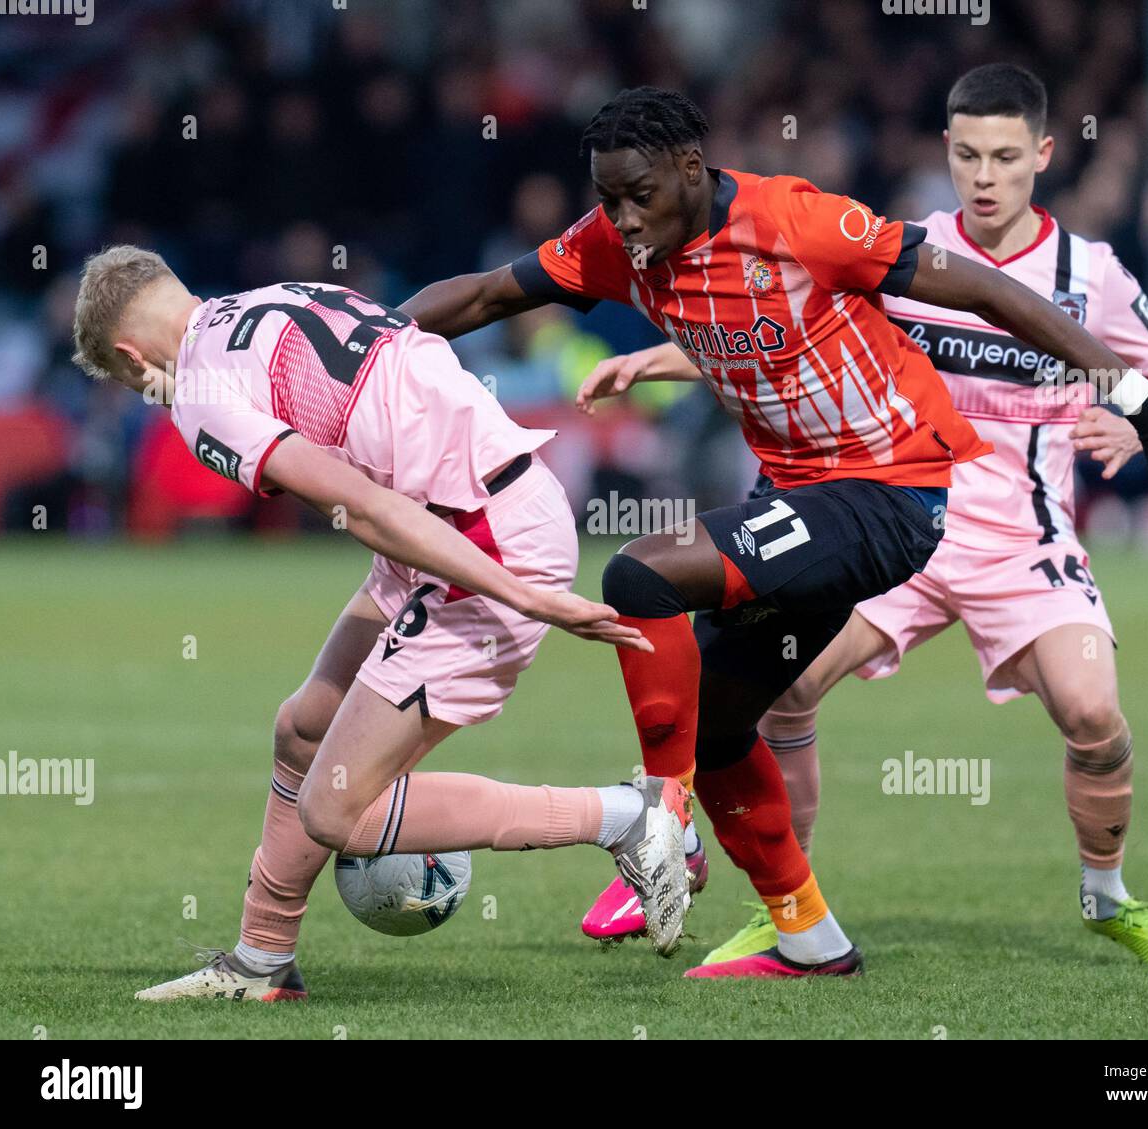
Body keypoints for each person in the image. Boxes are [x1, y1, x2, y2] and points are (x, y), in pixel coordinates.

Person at [400, 87, 1148, 979]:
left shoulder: (799, 223)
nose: (622, 219)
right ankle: (808, 937)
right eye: (608, 198)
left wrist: (1144, 404)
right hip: (808, 498)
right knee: (728, 721)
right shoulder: (620, 240)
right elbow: (491, 293)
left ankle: (660, 820)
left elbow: (993, 291)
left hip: (894, 492)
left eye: (638, 195)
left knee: (640, 576)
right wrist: (365, 339)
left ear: (692, 169)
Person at [70, 246, 692, 1001]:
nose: (150, 395)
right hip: (470, 513)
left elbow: (364, 506)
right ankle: (261, 961)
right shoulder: (276, 295)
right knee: (303, 728)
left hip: (477, 539)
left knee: (337, 809)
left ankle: (627, 816)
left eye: (136, 382)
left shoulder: (200, 391)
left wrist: (523, 594)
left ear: (133, 355)